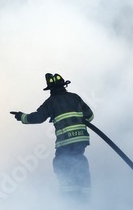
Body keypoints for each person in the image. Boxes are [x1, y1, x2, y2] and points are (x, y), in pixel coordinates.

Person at [11, 73, 94, 202]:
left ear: (51, 90)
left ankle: (70, 200)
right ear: (64, 86)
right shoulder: (75, 98)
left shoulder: (51, 101)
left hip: (66, 141)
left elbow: (38, 118)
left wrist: (21, 116)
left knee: (62, 164)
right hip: (81, 141)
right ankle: (85, 196)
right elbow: (90, 117)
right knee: (79, 162)